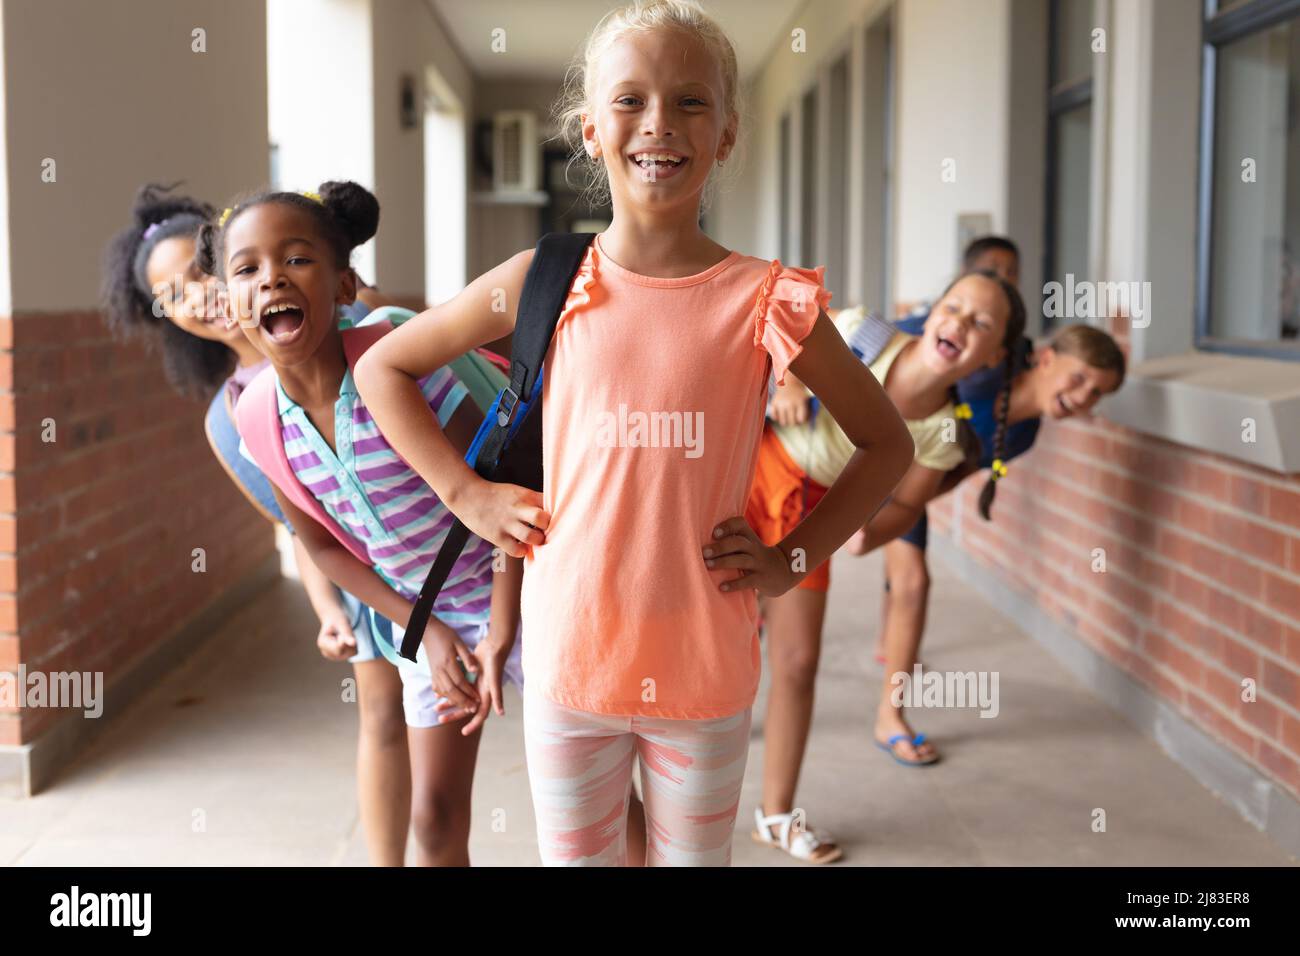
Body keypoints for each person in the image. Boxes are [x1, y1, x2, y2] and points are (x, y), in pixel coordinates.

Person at [353, 0, 913, 866]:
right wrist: (463, 492)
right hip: (571, 666)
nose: (661, 124)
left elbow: (889, 445)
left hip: (705, 668)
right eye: (631, 100)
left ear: (726, 134)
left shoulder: (767, 298)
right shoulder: (541, 280)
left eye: (692, 102)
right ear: (590, 129)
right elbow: (379, 368)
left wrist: (791, 558)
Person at [101, 184, 412, 866]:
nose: (197, 297)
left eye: (198, 273)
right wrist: (329, 608)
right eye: (173, 298)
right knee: (383, 718)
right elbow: (305, 531)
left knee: (535, 702)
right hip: (363, 573)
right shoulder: (228, 419)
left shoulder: (355, 319)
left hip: (446, 543)